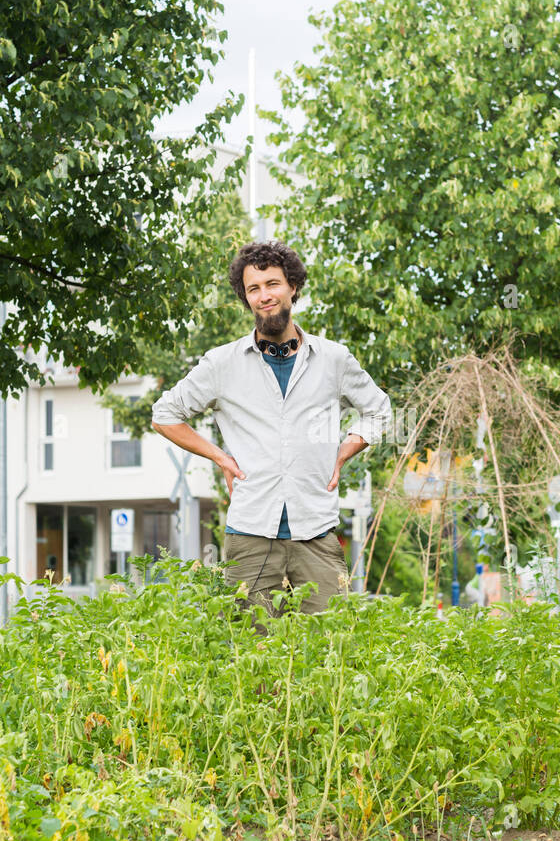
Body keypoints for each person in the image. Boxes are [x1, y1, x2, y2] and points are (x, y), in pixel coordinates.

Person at [151, 241, 391, 628]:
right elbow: (164, 415)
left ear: (293, 286)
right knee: (253, 652)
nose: (264, 296)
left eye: (273, 283)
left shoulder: (333, 359)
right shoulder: (222, 363)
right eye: (253, 289)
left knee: (331, 645)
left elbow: (380, 409)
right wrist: (219, 456)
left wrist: (345, 451)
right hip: (249, 533)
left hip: (316, 528)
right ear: (245, 299)